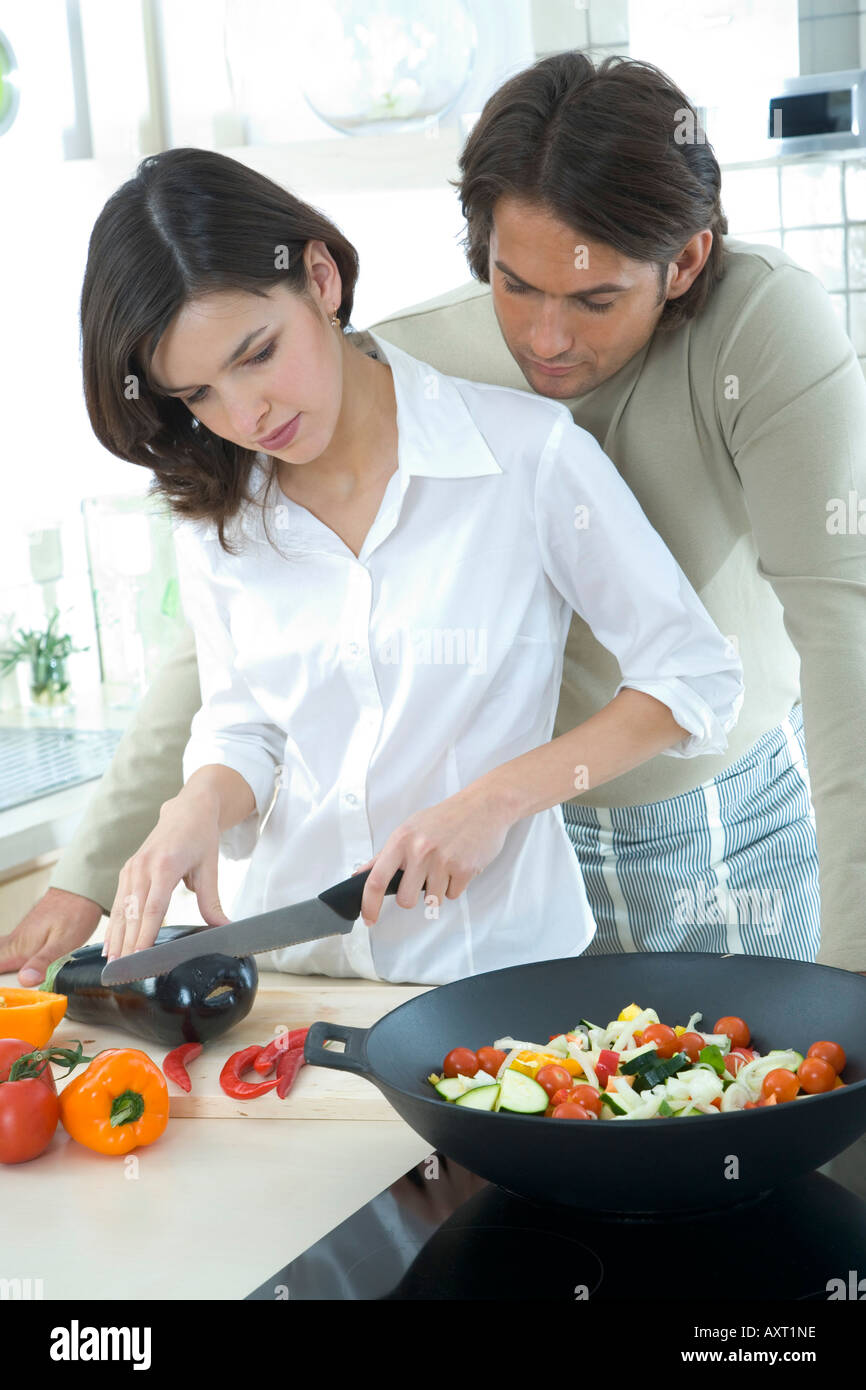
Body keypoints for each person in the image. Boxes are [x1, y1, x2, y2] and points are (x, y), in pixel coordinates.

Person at [4, 52, 864, 985]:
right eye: (514, 283)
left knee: (771, 1102)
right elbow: (230, 681)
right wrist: (123, 852)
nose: (544, 339)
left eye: (594, 297)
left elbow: (831, 639)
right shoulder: (322, 405)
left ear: (684, 262)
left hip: (709, 812)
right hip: (498, 862)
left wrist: (855, 978)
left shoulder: (748, 337)